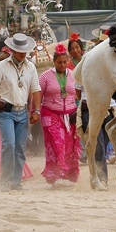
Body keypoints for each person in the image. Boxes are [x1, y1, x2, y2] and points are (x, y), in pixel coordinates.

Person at [0, 33, 42, 191]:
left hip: (22, 112)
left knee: (20, 147)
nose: (22, 54)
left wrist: (36, 110)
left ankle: (16, 182)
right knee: (9, 145)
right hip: (6, 112)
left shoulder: (30, 67)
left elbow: (36, 89)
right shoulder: (1, 66)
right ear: (12, 50)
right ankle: (5, 181)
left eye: (24, 51)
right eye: (19, 51)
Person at [38, 44, 81, 185]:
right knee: (58, 143)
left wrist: (78, 109)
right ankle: (55, 173)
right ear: (54, 62)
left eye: (64, 62)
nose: (62, 65)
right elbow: (37, 94)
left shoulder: (73, 75)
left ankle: (67, 174)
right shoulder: (45, 76)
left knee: (69, 145)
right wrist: (35, 111)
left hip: (70, 115)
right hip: (50, 113)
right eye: (59, 62)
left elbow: (78, 93)